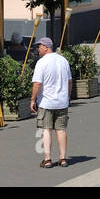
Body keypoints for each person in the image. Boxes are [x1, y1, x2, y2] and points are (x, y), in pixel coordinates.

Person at [30, 37, 72, 168]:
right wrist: (68, 96)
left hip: (46, 102)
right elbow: (70, 81)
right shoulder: (63, 60)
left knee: (46, 129)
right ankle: (63, 158)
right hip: (62, 101)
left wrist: (33, 99)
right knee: (61, 129)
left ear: (46, 47)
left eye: (39, 46)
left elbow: (37, 83)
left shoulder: (41, 63)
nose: (38, 49)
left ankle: (47, 159)